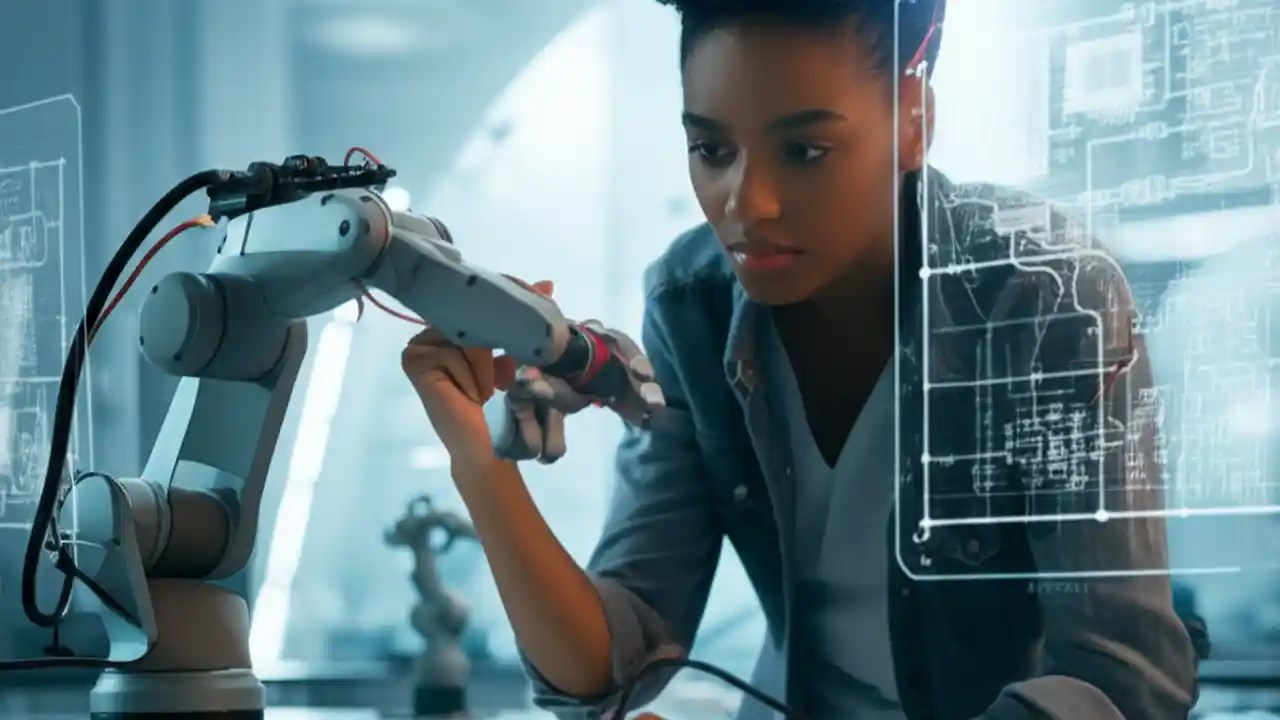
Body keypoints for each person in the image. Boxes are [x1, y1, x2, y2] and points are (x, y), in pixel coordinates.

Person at [399, 0, 1200, 717]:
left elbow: (1121, 680)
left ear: (913, 120)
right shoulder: (691, 304)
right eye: (711, 149)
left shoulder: (1046, 296)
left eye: (806, 151)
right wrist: (477, 458)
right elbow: (607, 666)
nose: (746, 205)